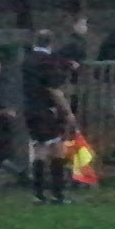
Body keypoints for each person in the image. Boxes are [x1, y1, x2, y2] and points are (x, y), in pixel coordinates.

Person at [24, 30, 79, 204]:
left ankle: (38, 194)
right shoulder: (48, 62)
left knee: (39, 149)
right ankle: (57, 193)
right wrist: (68, 112)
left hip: (30, 109)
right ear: (50, 43)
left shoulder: (27, 61)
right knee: (57, 149)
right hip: (46, 110)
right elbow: (54, 89)